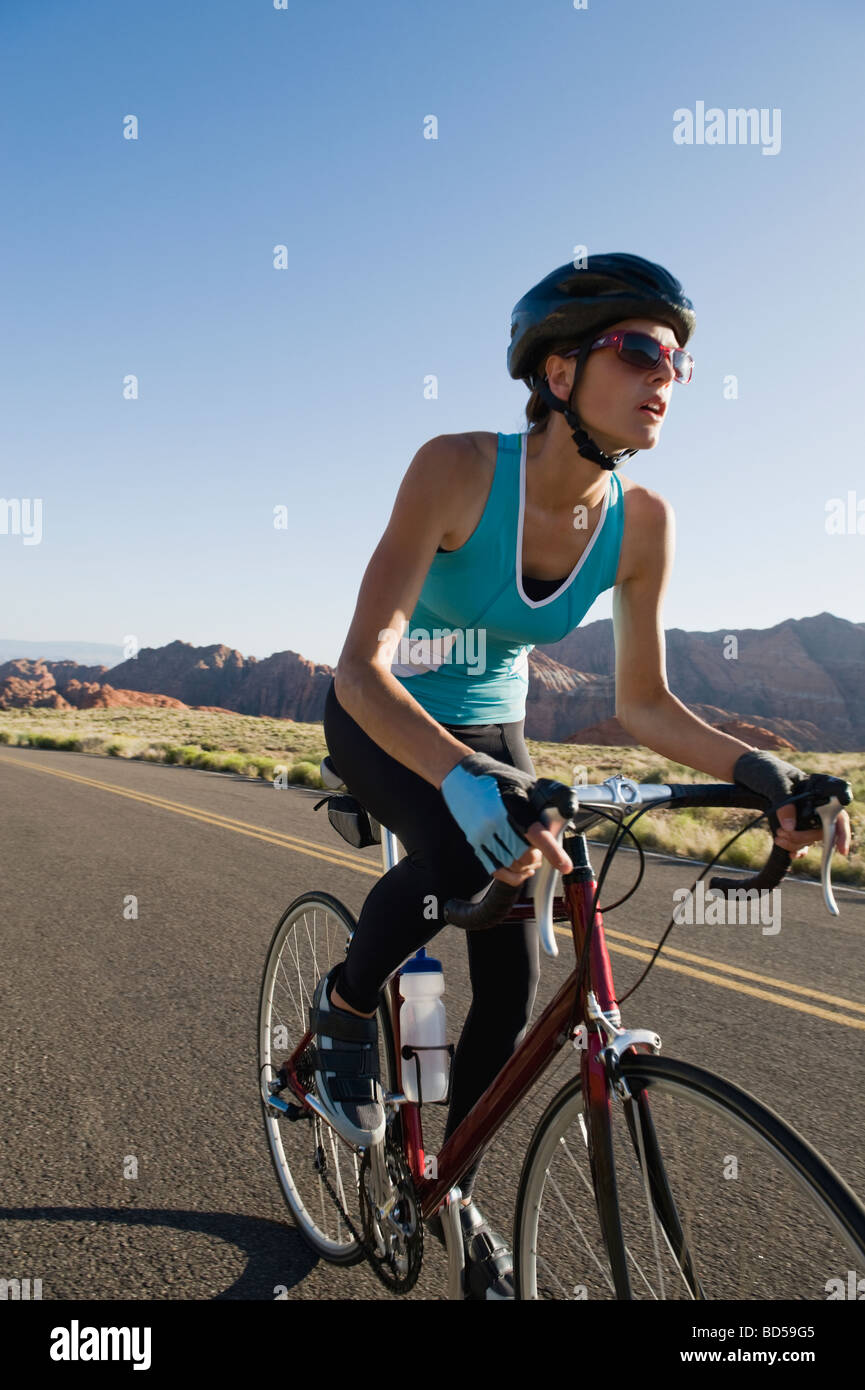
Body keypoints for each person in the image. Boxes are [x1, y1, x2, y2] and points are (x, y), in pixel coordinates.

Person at [309, 253, 852, 1299]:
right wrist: (464, 781)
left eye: (680, 360)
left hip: (497, 726)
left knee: (509, 985)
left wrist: (762, 769)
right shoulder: (458, 469)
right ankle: (343, 1003)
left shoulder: (641, 523)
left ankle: (446, 1186)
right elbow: (359, 666)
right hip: (387, 718)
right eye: (641, 348)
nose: (668, 375)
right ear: (558, 374)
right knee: (455, 862)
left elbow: (642, 705)